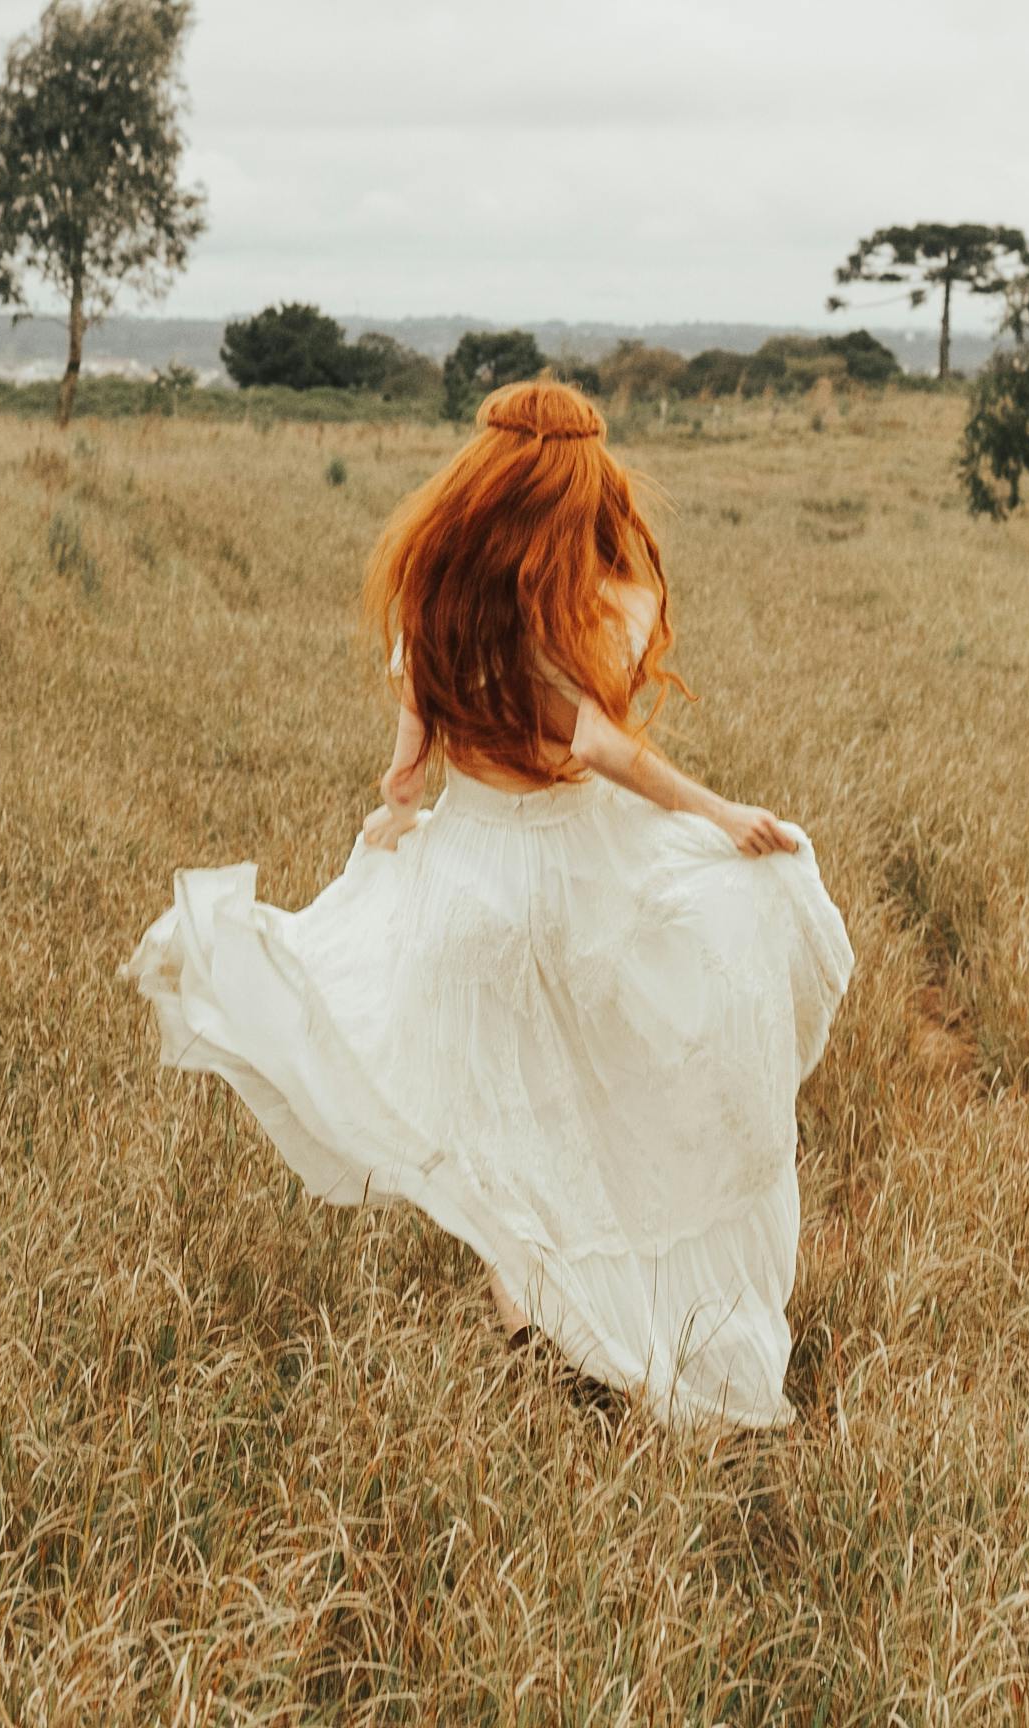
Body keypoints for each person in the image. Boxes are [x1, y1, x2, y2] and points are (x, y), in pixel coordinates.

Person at [122, 378, 853, 1427]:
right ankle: (611, 1338)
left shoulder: (433, 592)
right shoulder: (597, 599)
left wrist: (392, 819)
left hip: (464, 886)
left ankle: (529, 1334)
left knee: (487, 1133)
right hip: (574, 884)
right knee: (602, 1105)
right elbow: (599, 746)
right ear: (584, 482)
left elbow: (406, 769)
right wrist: (720, 810)